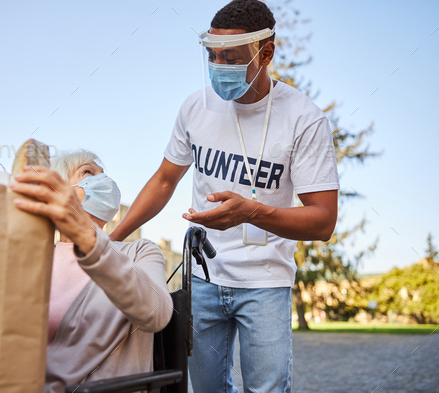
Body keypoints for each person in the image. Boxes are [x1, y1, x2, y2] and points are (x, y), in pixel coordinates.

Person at [110, 1, 339, 392]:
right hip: (202, 278)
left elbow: (323, 221)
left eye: (230, 58)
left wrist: (251, 212)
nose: (218, 67)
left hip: (266, 281)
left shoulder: (304, 119)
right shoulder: (195, 107)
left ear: (265, 53)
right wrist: (110, 242)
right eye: (212, 56)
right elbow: (165, 181)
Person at [9, 150, 173, 391]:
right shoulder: (34, 259)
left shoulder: (139, 251)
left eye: (103, 175)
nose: (104, 181)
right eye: (88, 172)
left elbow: (157, 313)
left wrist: (87, 236)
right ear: (56, 190)